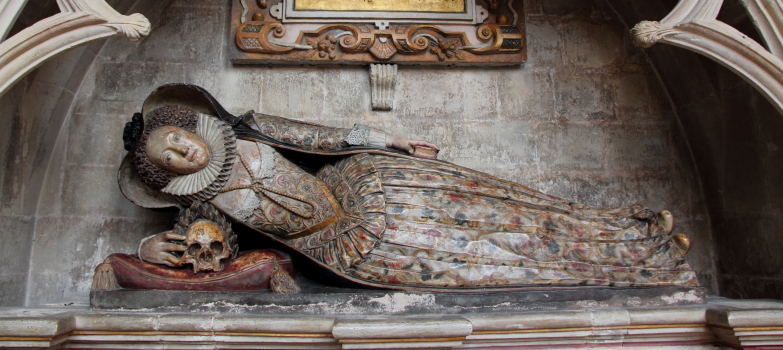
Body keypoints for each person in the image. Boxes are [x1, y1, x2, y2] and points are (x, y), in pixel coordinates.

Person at [119, 84, 698, 290]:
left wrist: (389, 141)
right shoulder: (205, 205)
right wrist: (152, 248)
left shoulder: (248, 129)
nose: (181, 151)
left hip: (369, 185)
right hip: (350, 248)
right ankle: (624, 268)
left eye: (177, 138)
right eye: (169, 157)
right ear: (169, 175)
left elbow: (325, 138)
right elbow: (206, 251)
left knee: (495, 207)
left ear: (191, 125)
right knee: (481, 264)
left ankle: (622, 230)